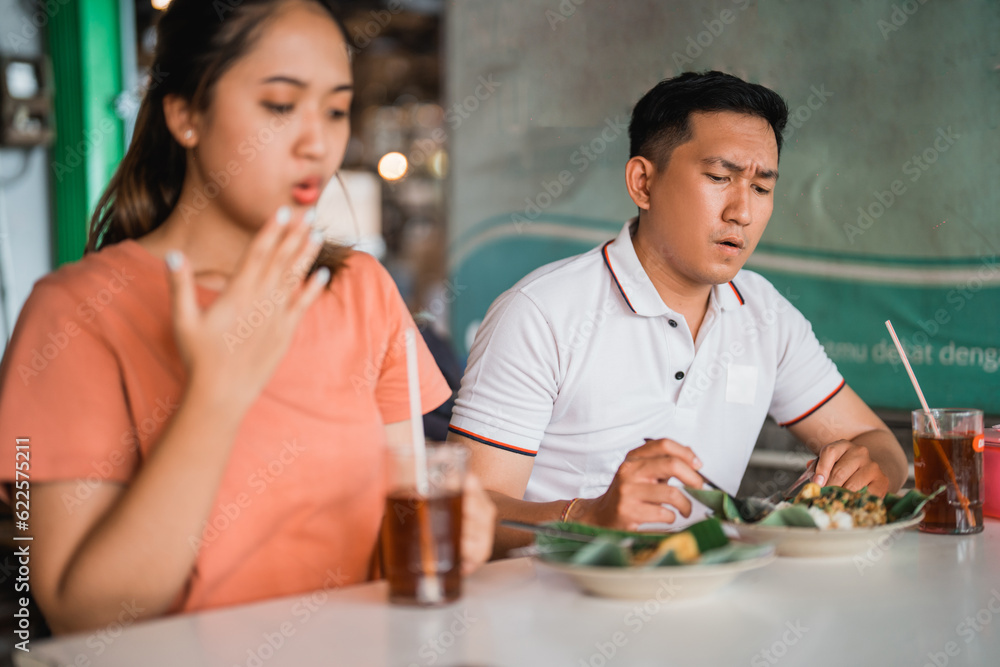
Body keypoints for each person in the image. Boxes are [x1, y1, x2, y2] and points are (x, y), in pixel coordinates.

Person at [0, 0, 493, 634]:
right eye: (280, 105)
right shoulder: (75, 312)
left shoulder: (360, 288)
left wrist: (468, 534)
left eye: (337, 109)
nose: (319, 142)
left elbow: (396, 535)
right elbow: (83, 614)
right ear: (185, 114)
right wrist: (215, 396)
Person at [446, 71, 907, 558]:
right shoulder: (541, 313)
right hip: (552, 606)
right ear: (643, 183)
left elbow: (879, 445)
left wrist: (866, 470)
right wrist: (588, 516)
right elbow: (463, 511)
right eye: (719, 178)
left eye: (762, 188)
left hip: (704, 603)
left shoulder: (765, 313)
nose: (742, 212)